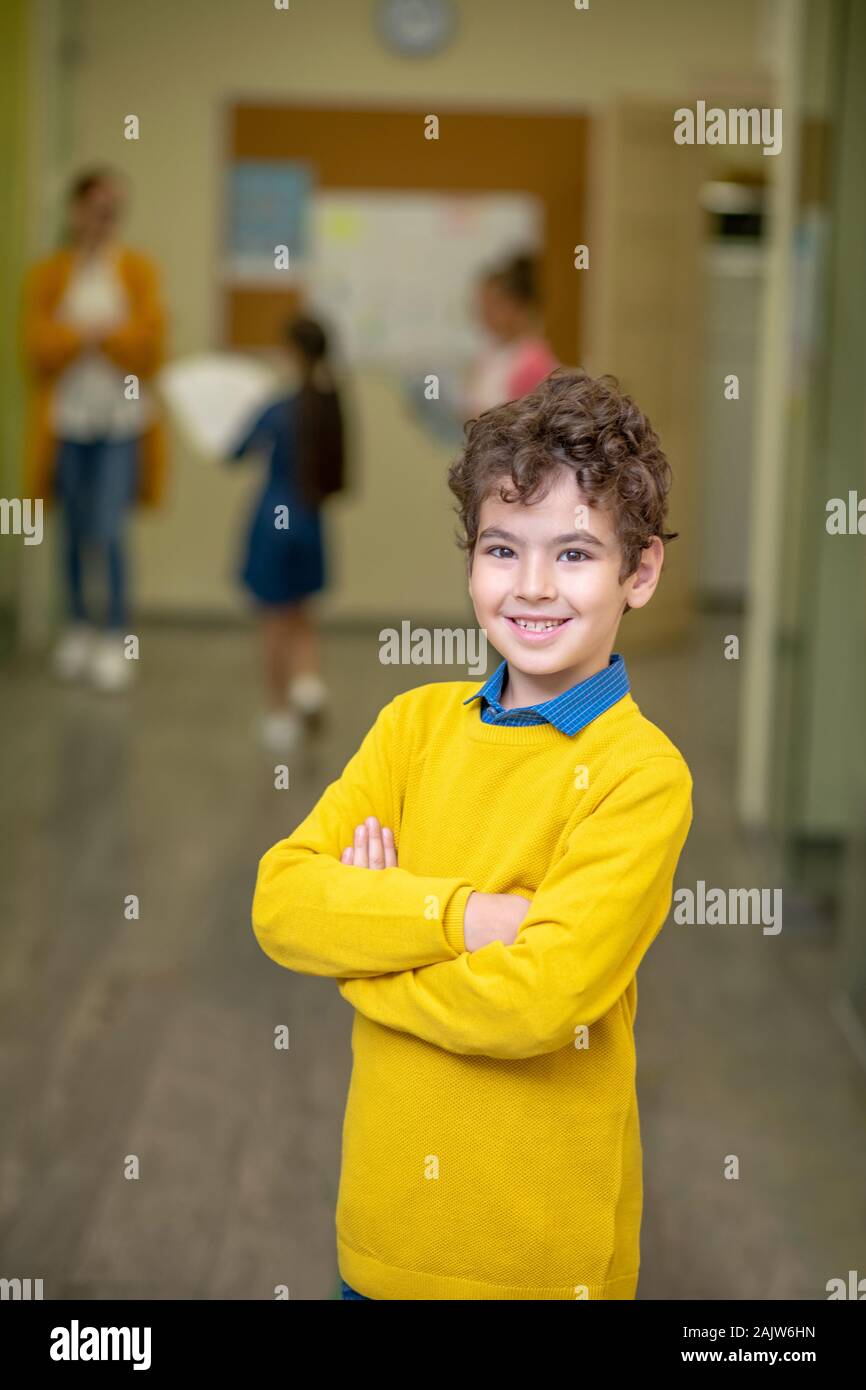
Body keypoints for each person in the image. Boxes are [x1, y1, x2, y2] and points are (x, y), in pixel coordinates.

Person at [250, 367, 694, 1301]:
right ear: (471, 558)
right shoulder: (413, 726)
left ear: (640, 571)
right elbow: (283, 901)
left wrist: (366, 950)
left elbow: (538, 1002)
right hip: (377, 1245)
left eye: (574, 554)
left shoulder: (640, 777)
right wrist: (469, 919)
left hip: (540, 1266)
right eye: (502, 549)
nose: (531, 588)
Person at [21, 166, 167, 691]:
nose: (106, 218)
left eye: (114, 208)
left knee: (109, 530)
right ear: (77, 210)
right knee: (72, 531)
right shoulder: (51, 274)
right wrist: (85, 336)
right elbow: (37, 347)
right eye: (97, 207)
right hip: (67, 423)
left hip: (120, 425)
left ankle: (115, 635)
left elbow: (148, 345)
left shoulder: (135, 270)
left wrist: (95, 337)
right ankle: (79, 627)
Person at [228, 315, 345, 752]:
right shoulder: (331, 403)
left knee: (274, 621)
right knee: (303, 613)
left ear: (293, 353)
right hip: (312, 523)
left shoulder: (277, 408)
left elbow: (236, 451)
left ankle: (278, 711)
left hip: (272, 521)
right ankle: (309, 683)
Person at [464, 251, 559, 417]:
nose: (485, 313)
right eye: (482, 305)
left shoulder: (533, 361)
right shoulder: (492, 354)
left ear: (516, 307)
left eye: (493, 305)